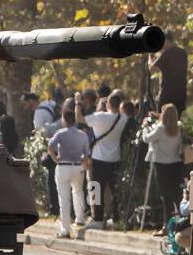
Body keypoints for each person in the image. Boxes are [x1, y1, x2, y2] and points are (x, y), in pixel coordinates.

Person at [79, 89, 129, 230]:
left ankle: (98, 218)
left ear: (107, 104)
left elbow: (79, 119)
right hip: (115, 158)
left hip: (99, 158)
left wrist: (77, 103)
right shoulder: (122, 118)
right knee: (115, 190)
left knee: (96, 188)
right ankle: (117, 217)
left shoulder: (100, 117)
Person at [141, 103, 184, 235]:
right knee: (177, 195)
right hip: (175, 164)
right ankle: (183, 221)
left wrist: (145, 127)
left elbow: (147, 138)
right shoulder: (179, 127)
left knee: (165, 197)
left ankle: (166, 225)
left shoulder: (161, 128)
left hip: (161, 165)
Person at [47, 108, 90, 239]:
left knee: (64, 198)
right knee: (78, 192)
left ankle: (65, 229)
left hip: (63, 166)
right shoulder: (83, 134)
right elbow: (86, 154)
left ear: (64, 120)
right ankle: (80, 219)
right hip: (78, 166)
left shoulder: (60, 133)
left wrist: (55, 158)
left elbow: (50, 146)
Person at [34, 89, 64, 216]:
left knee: (53, 183)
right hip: (63, 156)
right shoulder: (54, 110)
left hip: (59, 156)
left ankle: (56, 209)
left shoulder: (61, 121)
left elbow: (45, 131)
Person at [148, 31, 188, 113]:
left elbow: (152, 69)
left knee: (162, 120)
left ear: (166, 41)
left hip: (167, 96)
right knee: (176, 121)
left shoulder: (167, 53)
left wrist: (150, 56)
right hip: (181, 95)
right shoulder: (183, 52)